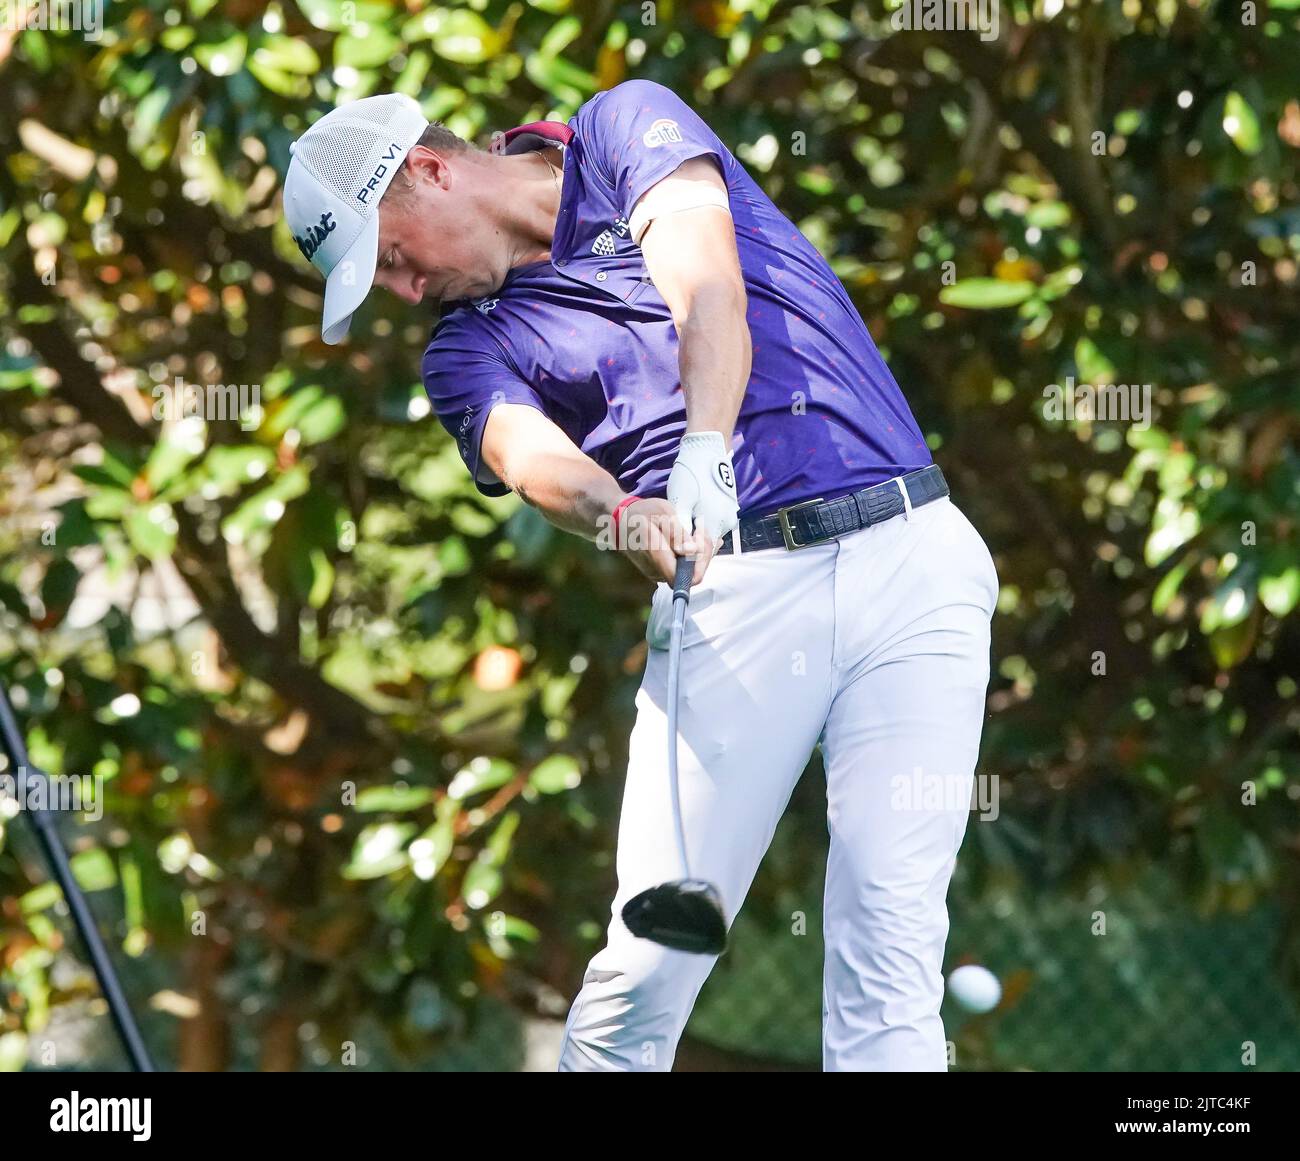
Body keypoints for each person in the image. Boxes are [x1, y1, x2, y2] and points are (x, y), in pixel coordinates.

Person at [282, 79, 999, 1071]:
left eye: (395, 260)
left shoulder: (620, 132)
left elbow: (706, 283)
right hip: (737, 597)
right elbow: (532, 460)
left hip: (913, 556)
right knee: (648, 969)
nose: (405, 292)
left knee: (890, 933)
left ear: (431, 171)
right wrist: (623, 514)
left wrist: (704, 445)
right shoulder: (464, 348)